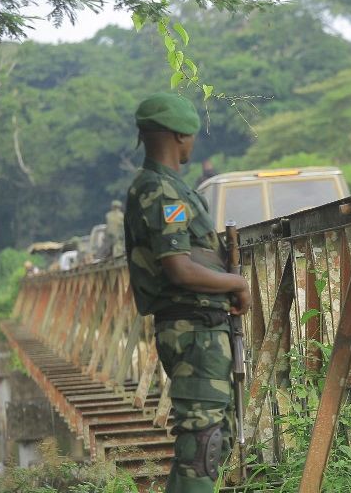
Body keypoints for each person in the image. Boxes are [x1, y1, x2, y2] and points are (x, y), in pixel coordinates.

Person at [124, 92, 252, 493]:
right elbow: (178, 268)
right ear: (182, 135)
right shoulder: (162, 191)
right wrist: (237, 283)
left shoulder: (166, 187)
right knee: (203, 447)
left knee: (214, 439)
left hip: (201, 327)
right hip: (193, 331)